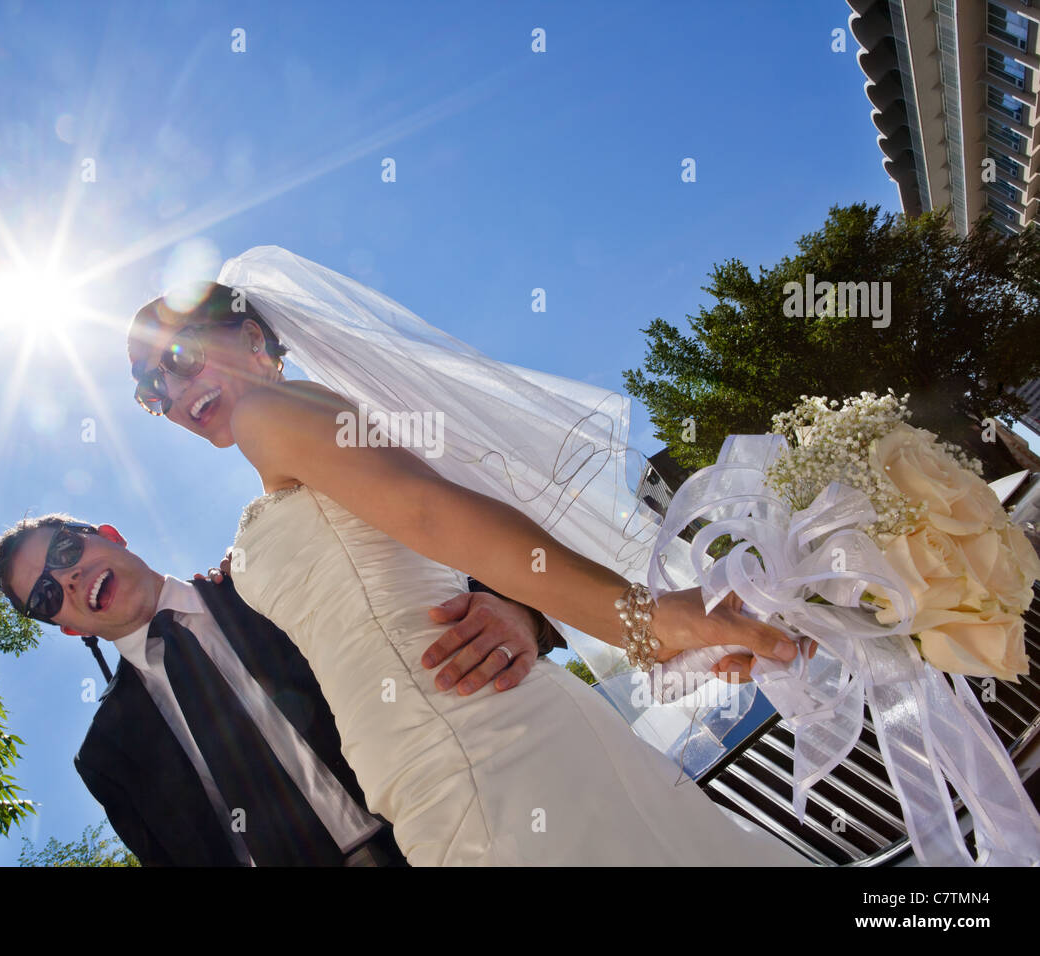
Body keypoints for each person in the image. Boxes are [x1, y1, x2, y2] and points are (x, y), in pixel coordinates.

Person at [124, 246, 815, 865]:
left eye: (179, 357)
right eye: (152, 390)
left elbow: (432, 513)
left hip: (478, 750)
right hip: (442, 757)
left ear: (250, 337)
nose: (176, 393)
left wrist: (648, 623)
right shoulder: (294, 436)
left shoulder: (265, 415)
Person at [0, 512, 563, 866]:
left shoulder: (264, 585)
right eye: (46, 595)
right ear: (65, 626)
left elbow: (409, 561)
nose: (68, 578)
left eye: (66, 552)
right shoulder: (107, 756)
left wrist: (518, 608)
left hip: (456, 836)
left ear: (108, 535)